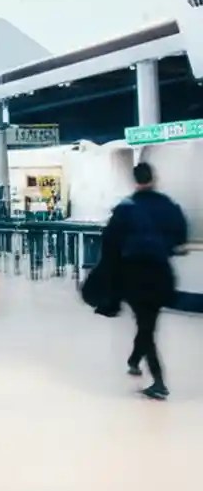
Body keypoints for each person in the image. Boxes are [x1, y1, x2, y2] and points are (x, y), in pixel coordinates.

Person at [102, 162, 187, 400]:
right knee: (147, 323)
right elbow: (180, 236)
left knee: (145, 325)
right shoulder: (168, 205)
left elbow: (110, 242)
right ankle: (134, 359)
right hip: (161, 274)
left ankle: (158, 381)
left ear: (135, 180)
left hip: (134, 275)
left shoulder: (125, 208)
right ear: (154, 178)